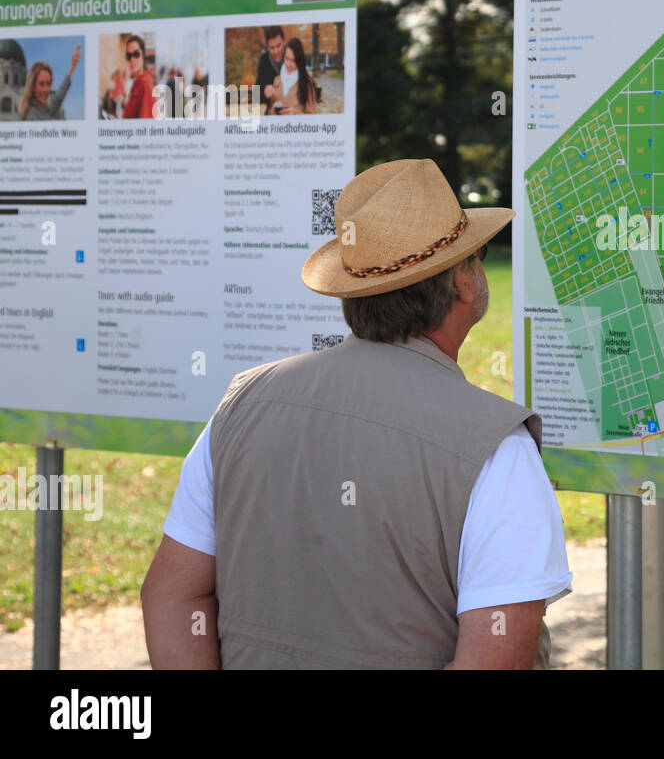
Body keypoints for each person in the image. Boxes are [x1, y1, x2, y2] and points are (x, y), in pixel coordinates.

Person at [141, 158, 571, 669]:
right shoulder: (494, 447)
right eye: (475, 256)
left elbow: (172, 597)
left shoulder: (242, 403)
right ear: (462, 281)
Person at [19, 44, 80, 120]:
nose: (46, 89)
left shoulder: (48, 108)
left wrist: (72, 66)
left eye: (48, 84)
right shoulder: (32, 116)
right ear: (33, 87)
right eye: (41, 84)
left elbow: (59, 95)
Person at [265, 37, 318, 114]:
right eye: (287, 59)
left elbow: (313, 118)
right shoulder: (276, 80)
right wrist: (274, 109)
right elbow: (269, 113)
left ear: (299, 61)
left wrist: (296, 114)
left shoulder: (307, 83)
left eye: (293, 60)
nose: (289, 64)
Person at [120, 34, 155, 119]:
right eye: (128, 56)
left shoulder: (145, 85)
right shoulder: (136, 83)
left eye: (136, 54)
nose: (132, 59)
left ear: (143, 56)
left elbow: (142, 128)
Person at [255, 25, 286, 112]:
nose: (276, 51)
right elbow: (256, 96)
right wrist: (264, 92)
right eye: (272, 48)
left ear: (284, 41)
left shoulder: (292, 55)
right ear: (268, 47)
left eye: (278, 46)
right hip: (272, 111)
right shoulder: (264, 60)